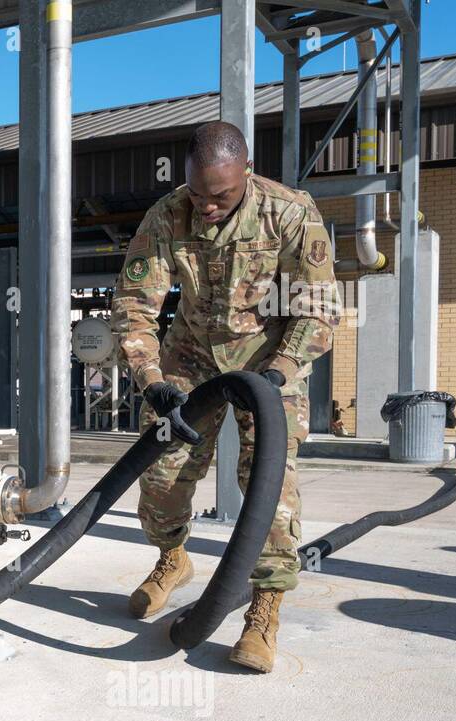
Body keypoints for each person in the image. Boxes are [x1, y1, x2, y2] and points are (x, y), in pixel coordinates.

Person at [111, 120, 342, 673]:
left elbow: (318, 309)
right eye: (199, 195)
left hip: (270, 360)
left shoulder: (289, 213)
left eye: (221, 196)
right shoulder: (168, 214)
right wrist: (152, 379)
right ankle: (172, 558)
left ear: (247, 173)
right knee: (161, 474)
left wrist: (281, 373)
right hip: (190, 355)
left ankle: (264, 610)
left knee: (269, 487)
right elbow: (134, 306)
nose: (208, 208)